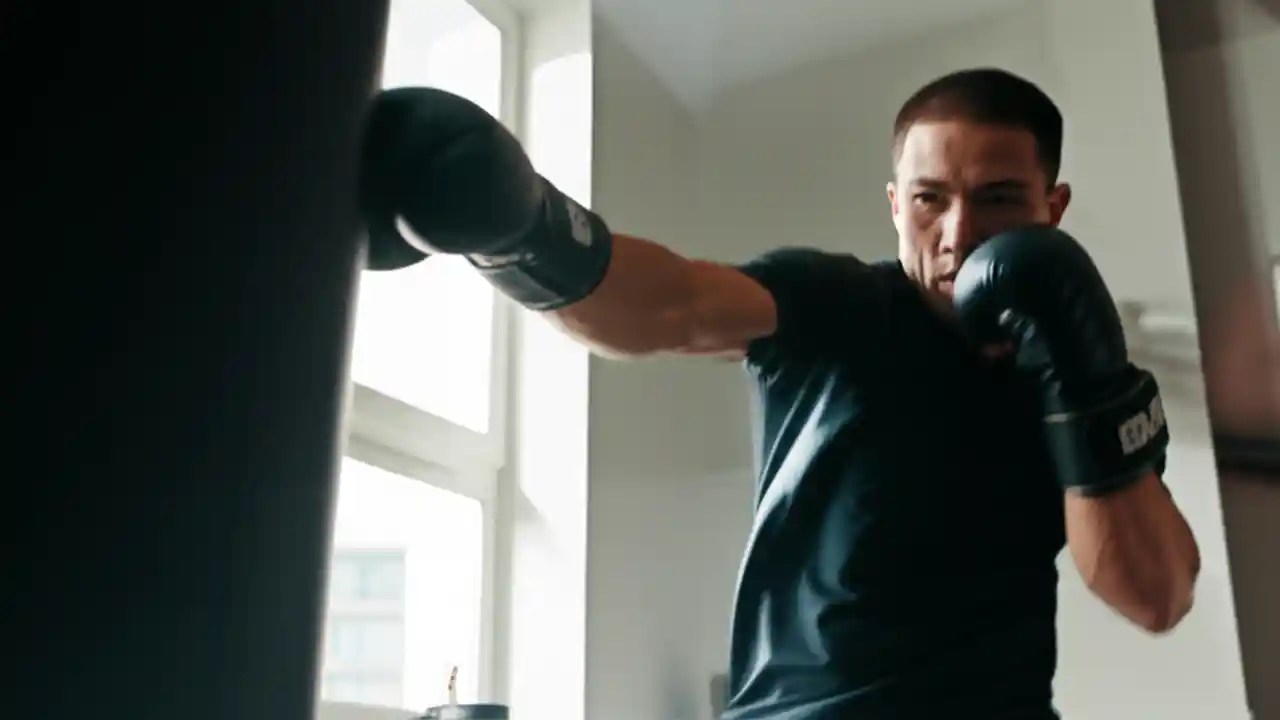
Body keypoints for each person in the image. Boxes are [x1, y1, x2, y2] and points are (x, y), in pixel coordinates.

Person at [359, 67, 1202, 719]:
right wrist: (522, 231)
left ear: (1052, 208)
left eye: (998, 201)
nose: (957, 235)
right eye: (928, 201)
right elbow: (673, 304)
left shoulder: (1083, 378)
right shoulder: (846, 305)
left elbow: (1155, 596)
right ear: (893, 206)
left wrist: (1081, 376)